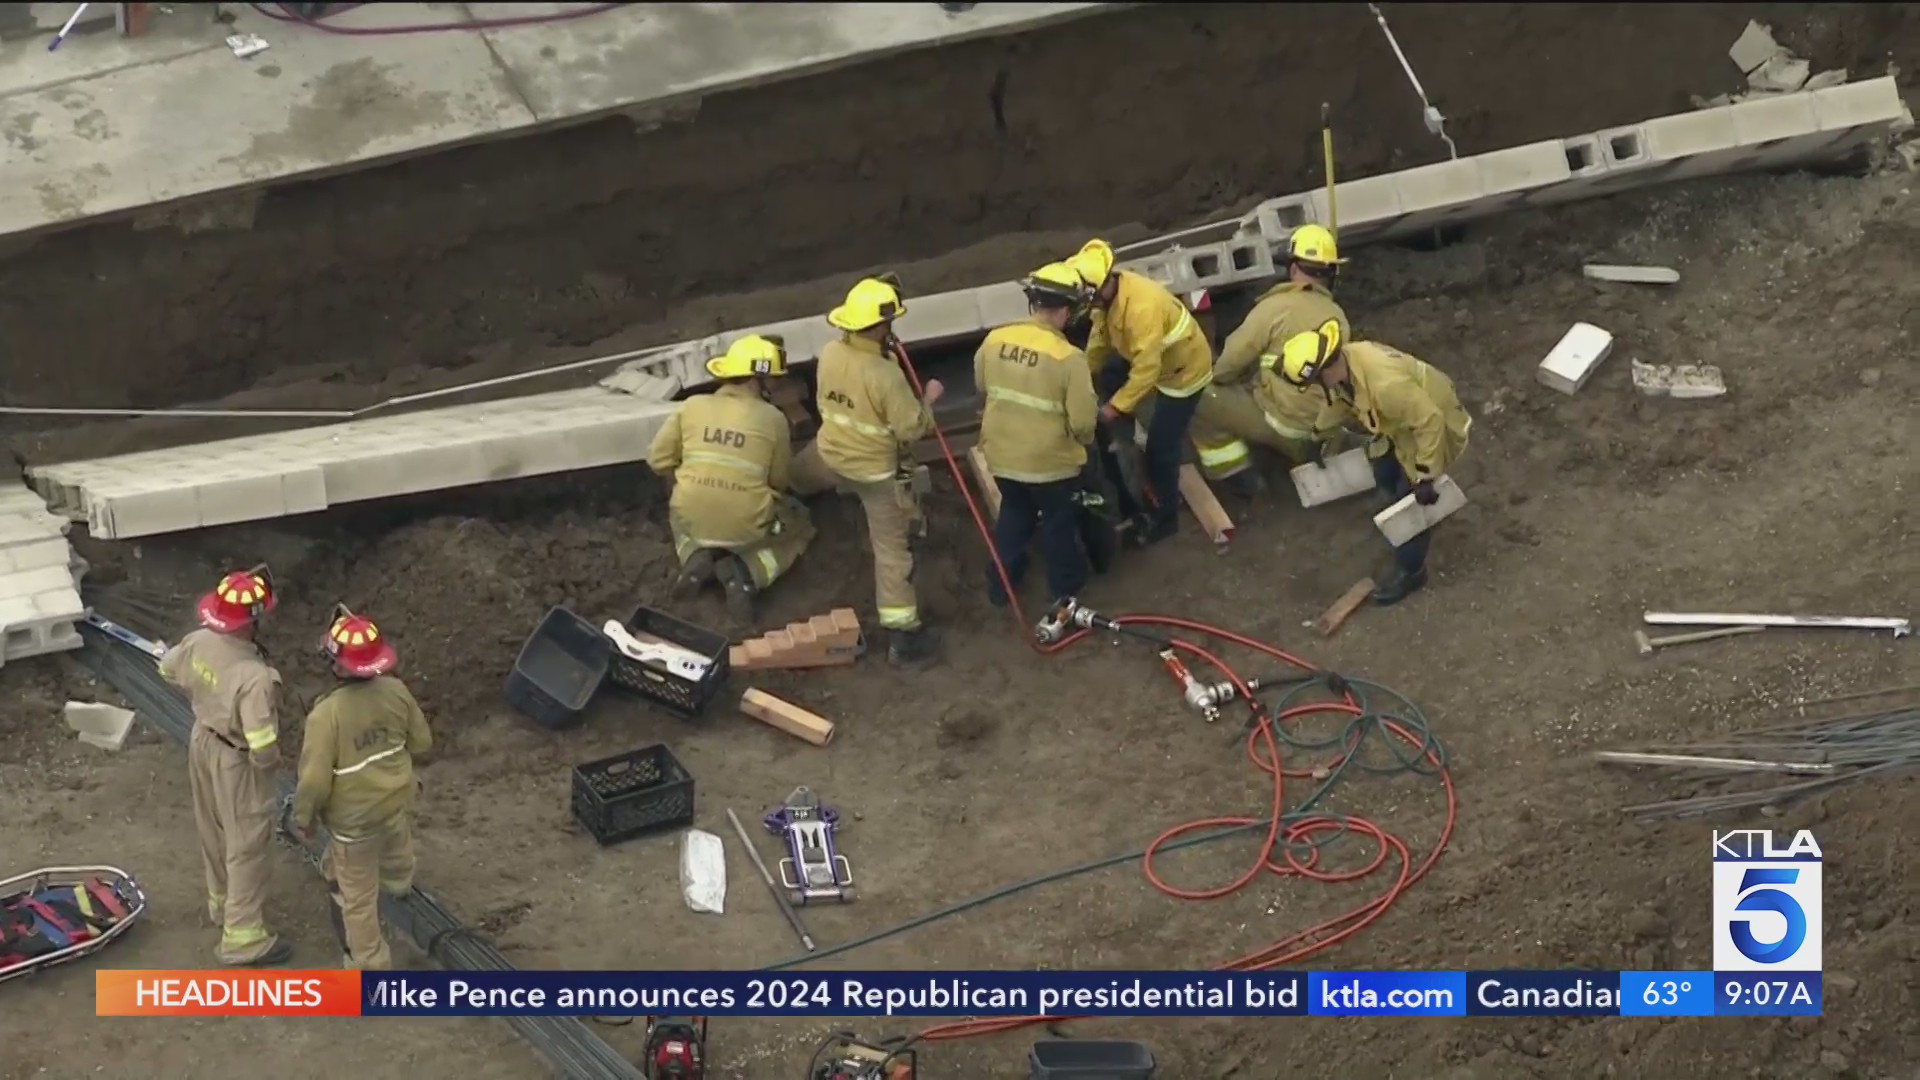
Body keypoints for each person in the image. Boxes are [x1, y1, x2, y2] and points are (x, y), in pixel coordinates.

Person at [788, 276, 944, 668]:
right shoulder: (885, 374)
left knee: (794, 478)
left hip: (830, 454)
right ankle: (902, 636)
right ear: (878, 327)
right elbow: (911, 429)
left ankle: (784, 504)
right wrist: (928, 399)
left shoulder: (830, 354)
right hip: (874, 474)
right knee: (893, 553)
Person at [1278, 320, 1473, 605]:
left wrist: (1426, 476)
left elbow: (1430, 421)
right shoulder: (1346, 366)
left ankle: (1412, 571)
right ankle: (1400, 496)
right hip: (1398, 424)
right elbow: (1340, 402)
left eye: (1313, 383)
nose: (1313, 389)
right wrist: (1317, 435)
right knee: (1383, 470)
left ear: (1326, 370)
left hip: (1430, 426)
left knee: (1411, 510)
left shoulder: (1385, 385)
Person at [158, 567, 291, 967]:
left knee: (213, 827)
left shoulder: (198, 641)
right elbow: (262, 743)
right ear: (253, 619)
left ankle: (221, 903)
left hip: (202, 741)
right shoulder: (255, 677)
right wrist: (270, 767)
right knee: (247, 843)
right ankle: (243, 938)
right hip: (236, 758)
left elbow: (167, 669)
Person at [290, 611, 432, 971]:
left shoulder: (327, 715)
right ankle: (400, 884)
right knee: (396, 838)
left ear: (336, 666)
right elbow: (422, 742)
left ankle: (369, 964)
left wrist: (303, 819)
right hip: (396, 799)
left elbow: (315, 781)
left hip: (353, 823)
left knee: (356, 897)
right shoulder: (397, 691)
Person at [646, 334, 816, 622]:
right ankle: (747, 573)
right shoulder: (773, 419)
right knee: (801, 526)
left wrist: (692, 480)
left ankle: (695, 555)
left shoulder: (692, 406)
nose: (775, 384)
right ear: (756, 379)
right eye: (772, 378)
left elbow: (657, 460)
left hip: (692, 516)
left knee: (680, 511)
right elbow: (779, 481)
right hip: (747, 523)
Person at [1067, 238, 1214, 546]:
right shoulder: (1108, 299)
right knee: (1109, 373)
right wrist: (1079, 374)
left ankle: (1166, 517)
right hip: (1156, 360)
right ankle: (1124, 432)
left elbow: (1146, 371)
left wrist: (1115, 407)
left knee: (1162, 450)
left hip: (1183, 374)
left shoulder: (1141, 309)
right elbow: (1100, 338)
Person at [974, 261, 1101, 607]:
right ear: (1064, 310)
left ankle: (1000, 586)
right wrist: (1085, 446)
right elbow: (1083, 423)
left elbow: (982, 387)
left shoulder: (994, 339)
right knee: (1059, 524)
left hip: (1002, 457)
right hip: (1050, 466)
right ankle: (1066, 591)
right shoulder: (1069, 358)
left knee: (1015, 515)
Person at [1188, 225, 1354, 487]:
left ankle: (1237, 476)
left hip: (1287, 427)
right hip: (1324, 427)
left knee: (1194, 393)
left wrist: (1220, 376)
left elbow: (1226, 366)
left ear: (1293, 268)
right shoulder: (1338, 317)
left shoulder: (1275, 308)